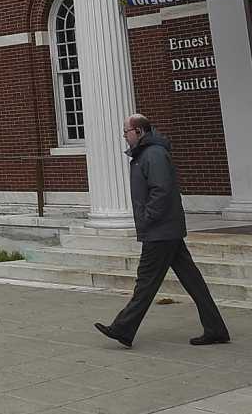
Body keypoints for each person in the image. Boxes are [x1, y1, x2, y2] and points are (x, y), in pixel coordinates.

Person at [95, 114, 230, 348]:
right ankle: (215, 328)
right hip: (167, 229)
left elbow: (162, 190)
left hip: (160, 230)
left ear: (139, 131)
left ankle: (123, 328)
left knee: (146, 282)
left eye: (126, 132)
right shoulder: (146, 154)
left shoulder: (153, 154)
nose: (124, 137)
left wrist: (148, 218)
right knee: (193, 281)